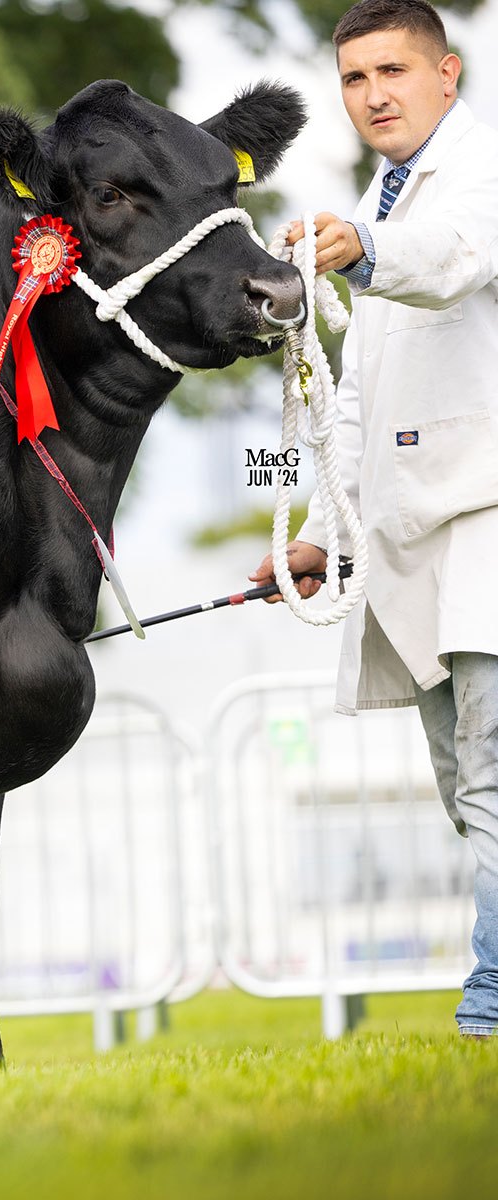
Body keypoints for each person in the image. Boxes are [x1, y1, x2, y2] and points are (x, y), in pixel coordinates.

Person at [251, 0, 498, 1039]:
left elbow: (446, 261)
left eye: (393, 71)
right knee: (465, 788)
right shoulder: (382, 197)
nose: (374, 96)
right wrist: (321, 534)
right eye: (355, 80)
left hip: (486, 519)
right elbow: (356, 398)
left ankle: (489, 1006)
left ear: (448, 73)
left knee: (489, 780)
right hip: (410, 538)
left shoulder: (478, 175)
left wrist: (361, 249)